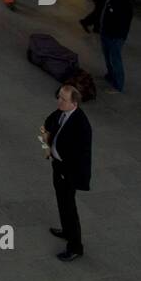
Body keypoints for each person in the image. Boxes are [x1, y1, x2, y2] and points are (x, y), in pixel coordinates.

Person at [42, 83, 92, 261]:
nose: (59, 101)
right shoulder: (62, 113)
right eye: (59, 97)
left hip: (68, 172)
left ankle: (75, 247)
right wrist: (45, 143)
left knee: (69, 207)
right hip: (58, 166)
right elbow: (48, 124)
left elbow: (79, 156)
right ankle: (66, 231)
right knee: (62, 202)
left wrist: (65, 173)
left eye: (63, 99)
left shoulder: (81, 125)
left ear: (74, 103)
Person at [100, 0, 132, 92]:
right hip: (106, 35)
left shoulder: (123, 2)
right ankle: (111, 75)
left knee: (115, 59)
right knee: (108, 57)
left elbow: (122, 23)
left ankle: (118, 85)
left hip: (115, 38)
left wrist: (114, 35)